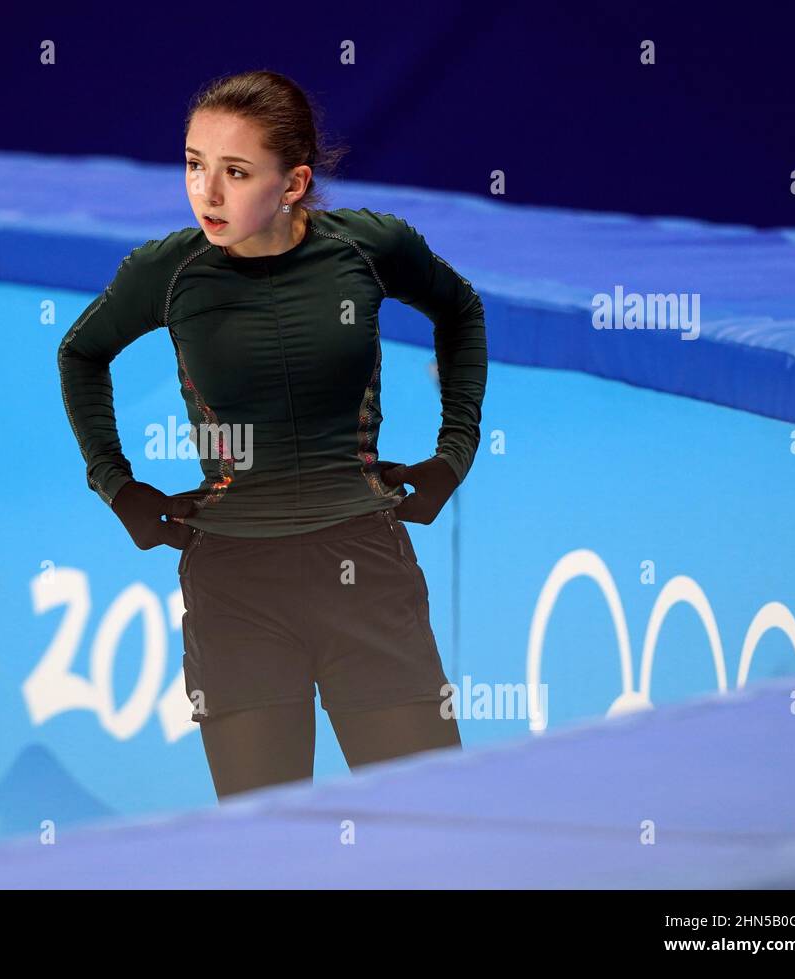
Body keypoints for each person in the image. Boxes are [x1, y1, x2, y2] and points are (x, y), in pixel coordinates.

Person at [57, 69, 487, 802]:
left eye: (235, 172)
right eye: (194, 165)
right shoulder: (167, 271)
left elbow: (460, 310)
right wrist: (116, 484)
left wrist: (454, 454)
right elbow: (80, 352)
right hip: (235, 587)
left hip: (365, 571)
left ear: (293, 184)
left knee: (432, 833)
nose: (207, 193)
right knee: (269, 858)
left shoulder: (369, 247)